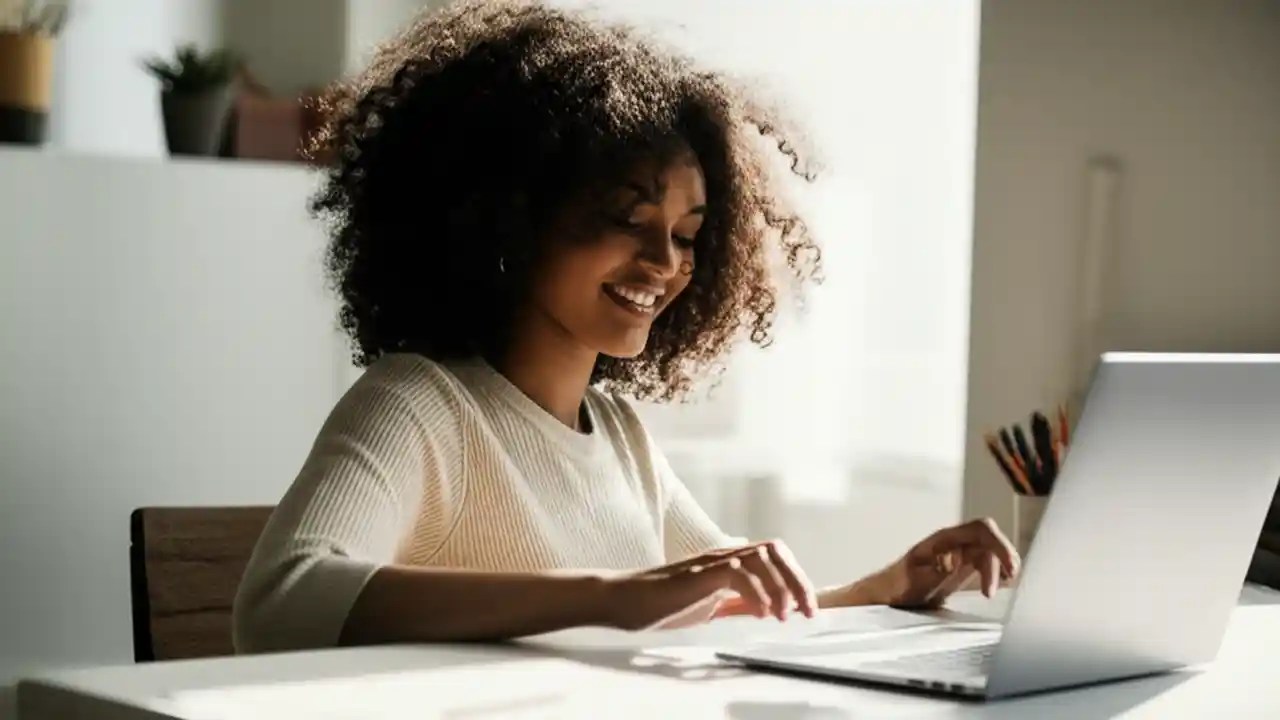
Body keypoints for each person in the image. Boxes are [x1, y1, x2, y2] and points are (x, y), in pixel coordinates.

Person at [231, 0, 1019, 654]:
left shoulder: (618, 433)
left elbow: (727, 604)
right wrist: (608, 598)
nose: (664, 263)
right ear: (507, 220)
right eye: (626, 218)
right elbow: (280, 604)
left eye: (685, 235)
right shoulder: (420, 405)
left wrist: (890, 588)